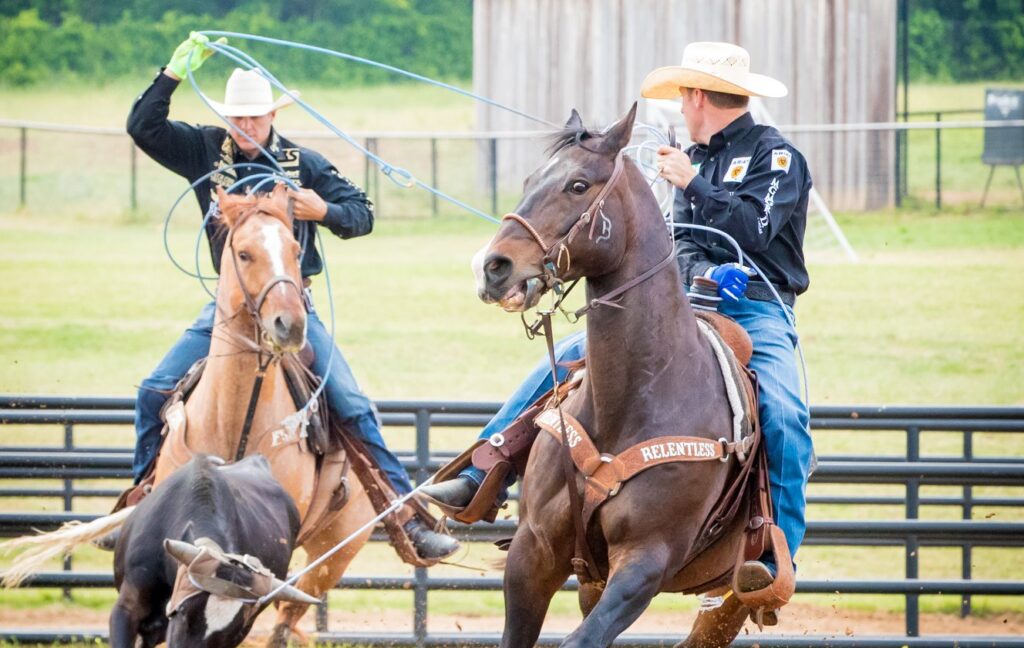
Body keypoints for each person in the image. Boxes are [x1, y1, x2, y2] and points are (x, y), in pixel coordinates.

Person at [422, 41, 814, 583]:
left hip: (759, 311)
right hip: (686, 302)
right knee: (567, 359)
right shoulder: (694, 157)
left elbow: (755, 230)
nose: (681, 107)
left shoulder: (777, 158)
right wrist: (699, 265)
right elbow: (679, 242)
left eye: (684, 97)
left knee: (785, 416)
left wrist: (693, 183)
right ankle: (483, 469)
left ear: (698, 96)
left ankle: (775, 555)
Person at [126, 33, 457, 560]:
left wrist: (323, 211)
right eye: (237, 117)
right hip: (229, 311)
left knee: (352, 406)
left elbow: (362, 214)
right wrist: (173, 72)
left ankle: (406, 519)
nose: (245, 125)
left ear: (272, 116)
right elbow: (143, 127)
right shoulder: (205, 151)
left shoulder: (304, 165)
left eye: (255, 117)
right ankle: (140, 505)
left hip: (292, 306)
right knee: (153, 391)